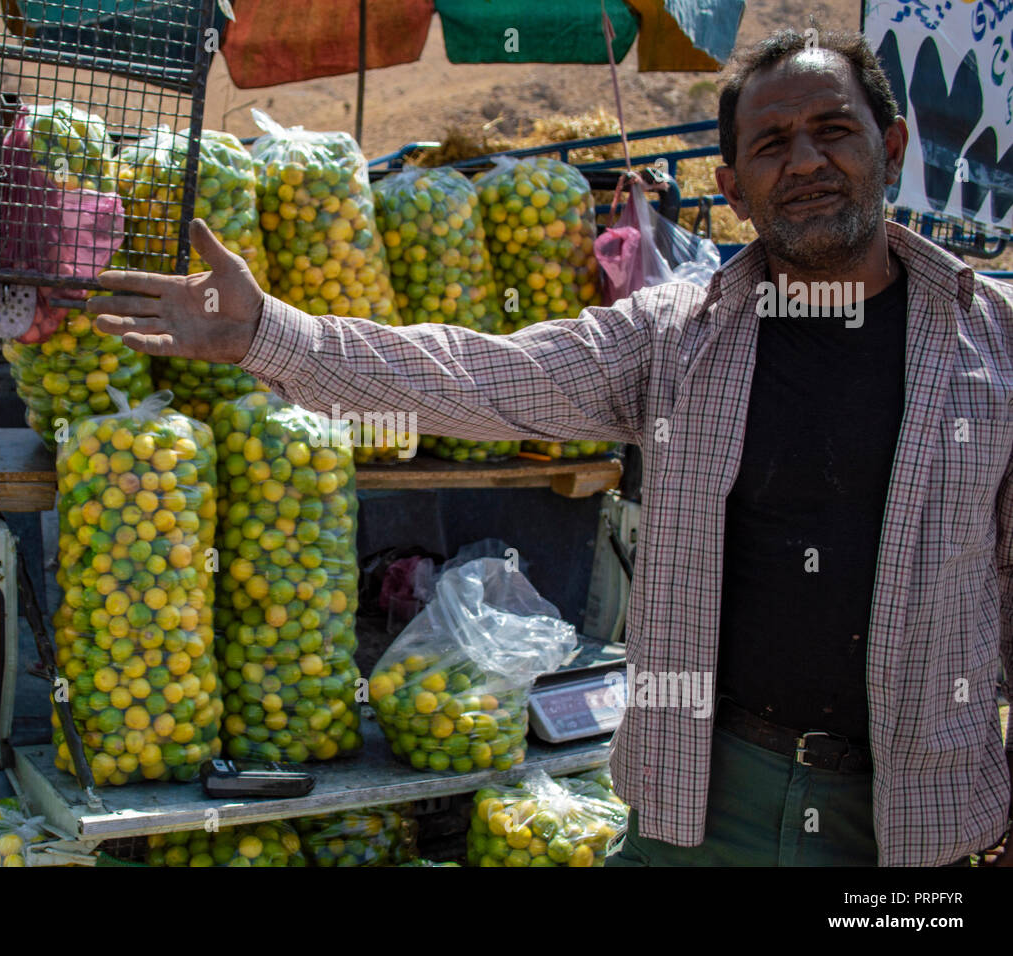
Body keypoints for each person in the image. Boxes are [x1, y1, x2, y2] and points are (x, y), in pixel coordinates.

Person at [86, 28, 1013, 867]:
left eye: (833, 130)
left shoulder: (994, 346)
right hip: (700, 799)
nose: (806, 161)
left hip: (909, 815)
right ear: (731, 189)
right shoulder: (676, 338)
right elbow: (474, 375)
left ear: (890, 147)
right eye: (771, 144)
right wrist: (267, 335)